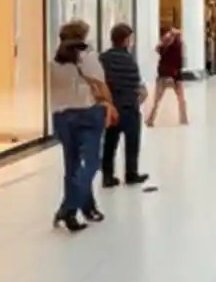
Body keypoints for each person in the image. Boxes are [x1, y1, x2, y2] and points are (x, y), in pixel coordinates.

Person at [49, 20, 110, 233]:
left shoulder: (53, 60)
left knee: (72, 166)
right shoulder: (87, 57)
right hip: (87, 113)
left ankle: (81, 210)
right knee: (92, 163)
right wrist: (110, 105)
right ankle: (69, 207)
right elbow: (100, 84)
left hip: (62, 116)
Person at [100, 23, 149, 188]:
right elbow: (137, 84)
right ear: (126, 40)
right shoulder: (129, 60)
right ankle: (131, 173)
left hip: (111, 107)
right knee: (132, 142)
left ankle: (107, 176)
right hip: (129, 106)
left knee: (109, 143)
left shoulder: (104, 58)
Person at [146, 24, 188, 127]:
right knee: (181, 99)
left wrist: (166, 39)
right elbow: (181, 61)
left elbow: (157, 49)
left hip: (163, 74)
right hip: (176, 76)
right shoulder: (179, 45)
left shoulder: (164, 45)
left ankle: (151, 119)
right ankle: (183, 119)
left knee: (157, 99)